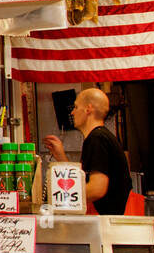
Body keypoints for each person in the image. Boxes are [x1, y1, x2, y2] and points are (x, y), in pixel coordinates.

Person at [44, 87, 132, 215]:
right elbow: (84, 181)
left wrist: (59, 200)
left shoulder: (97, 139)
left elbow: (97, 189)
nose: (72, 112)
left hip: (105, 223)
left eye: (76, 107)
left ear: (88, 109)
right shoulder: (101, 137)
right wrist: (61, 157)